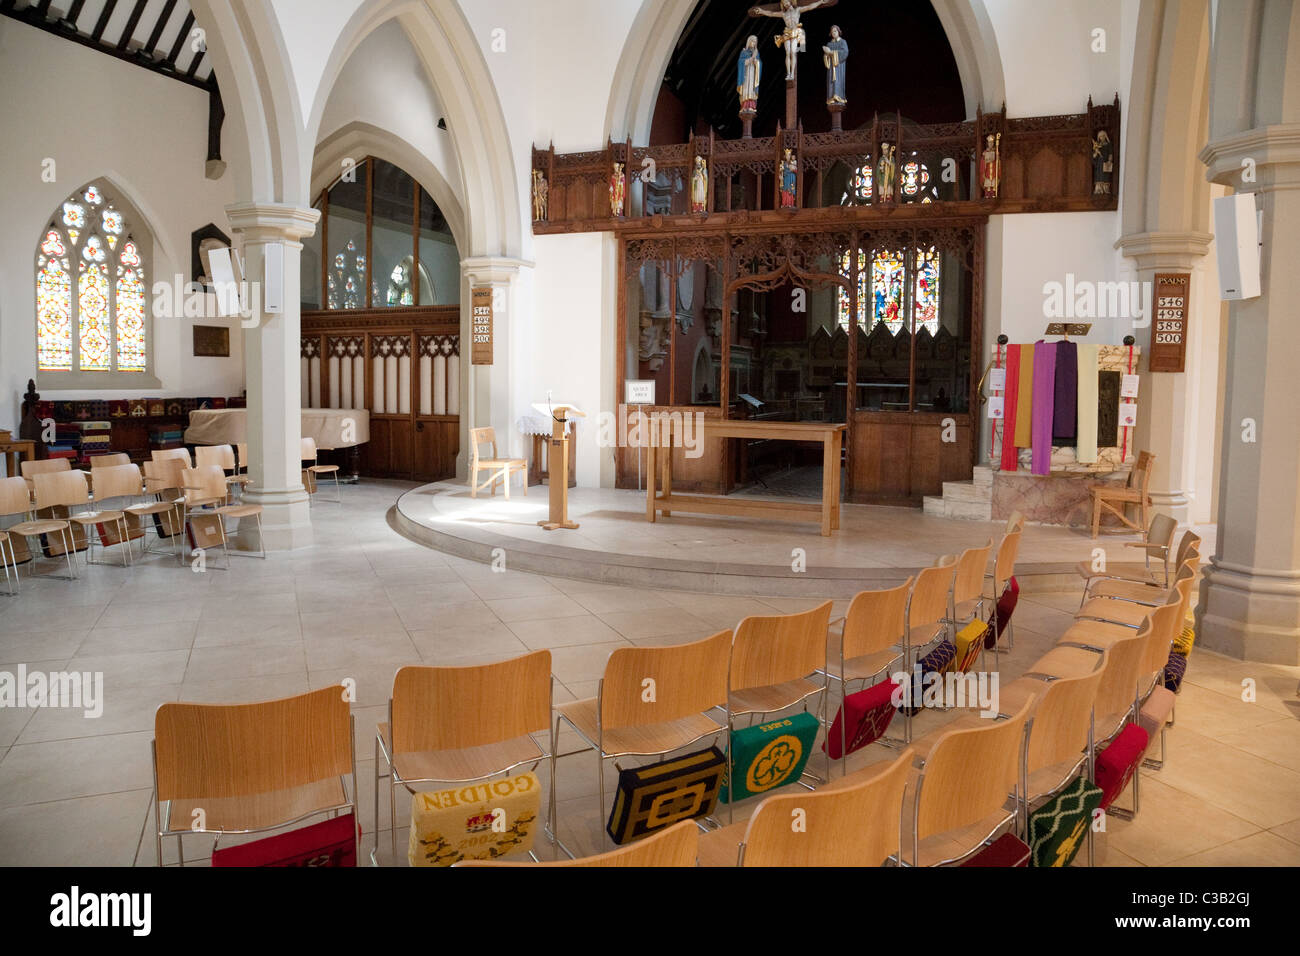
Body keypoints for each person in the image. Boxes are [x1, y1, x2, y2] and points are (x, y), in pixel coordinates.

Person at [823, 26, 848, 105]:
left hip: (839, 66)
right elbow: (826, 56)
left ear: (838, 32)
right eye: (832, 31)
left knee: (838, 80)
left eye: (835, 31)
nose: (834, 33)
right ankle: (831, 97)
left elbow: (845, 52)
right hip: (831, 68)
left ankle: (839, 96)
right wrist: (826, 55)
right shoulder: (829, 44)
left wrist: (831, 53)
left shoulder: (843, 42)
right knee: (831, 81)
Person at [737, 35, 761, 113]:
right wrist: (751, 58)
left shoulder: (757, 53)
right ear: (749, 41)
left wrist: (756, 61)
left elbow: (759, 64)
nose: (753, 43)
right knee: (746, 88)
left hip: (753, 74)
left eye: (755, 42)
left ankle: (751, 105)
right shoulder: (744, 52)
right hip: (746, 74)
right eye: (752, 41)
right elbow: (741, 62)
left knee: (751, 89)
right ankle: (744, 106)